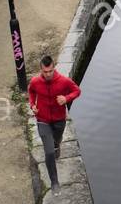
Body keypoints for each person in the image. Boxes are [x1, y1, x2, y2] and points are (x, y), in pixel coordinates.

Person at [27, 55, 81, 188]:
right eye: (45, 72)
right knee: (49, 151)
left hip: (59, 120)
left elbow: (77, 91)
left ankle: (57, 144)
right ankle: (54, 182)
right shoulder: (35, 81)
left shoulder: (63, 81)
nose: (48, 74)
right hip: (43, 120)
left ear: (53, 68)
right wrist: (32, 105)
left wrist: (66, 98)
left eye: (50, 71)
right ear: (41, 70)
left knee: (56, 142)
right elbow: (31, 92)